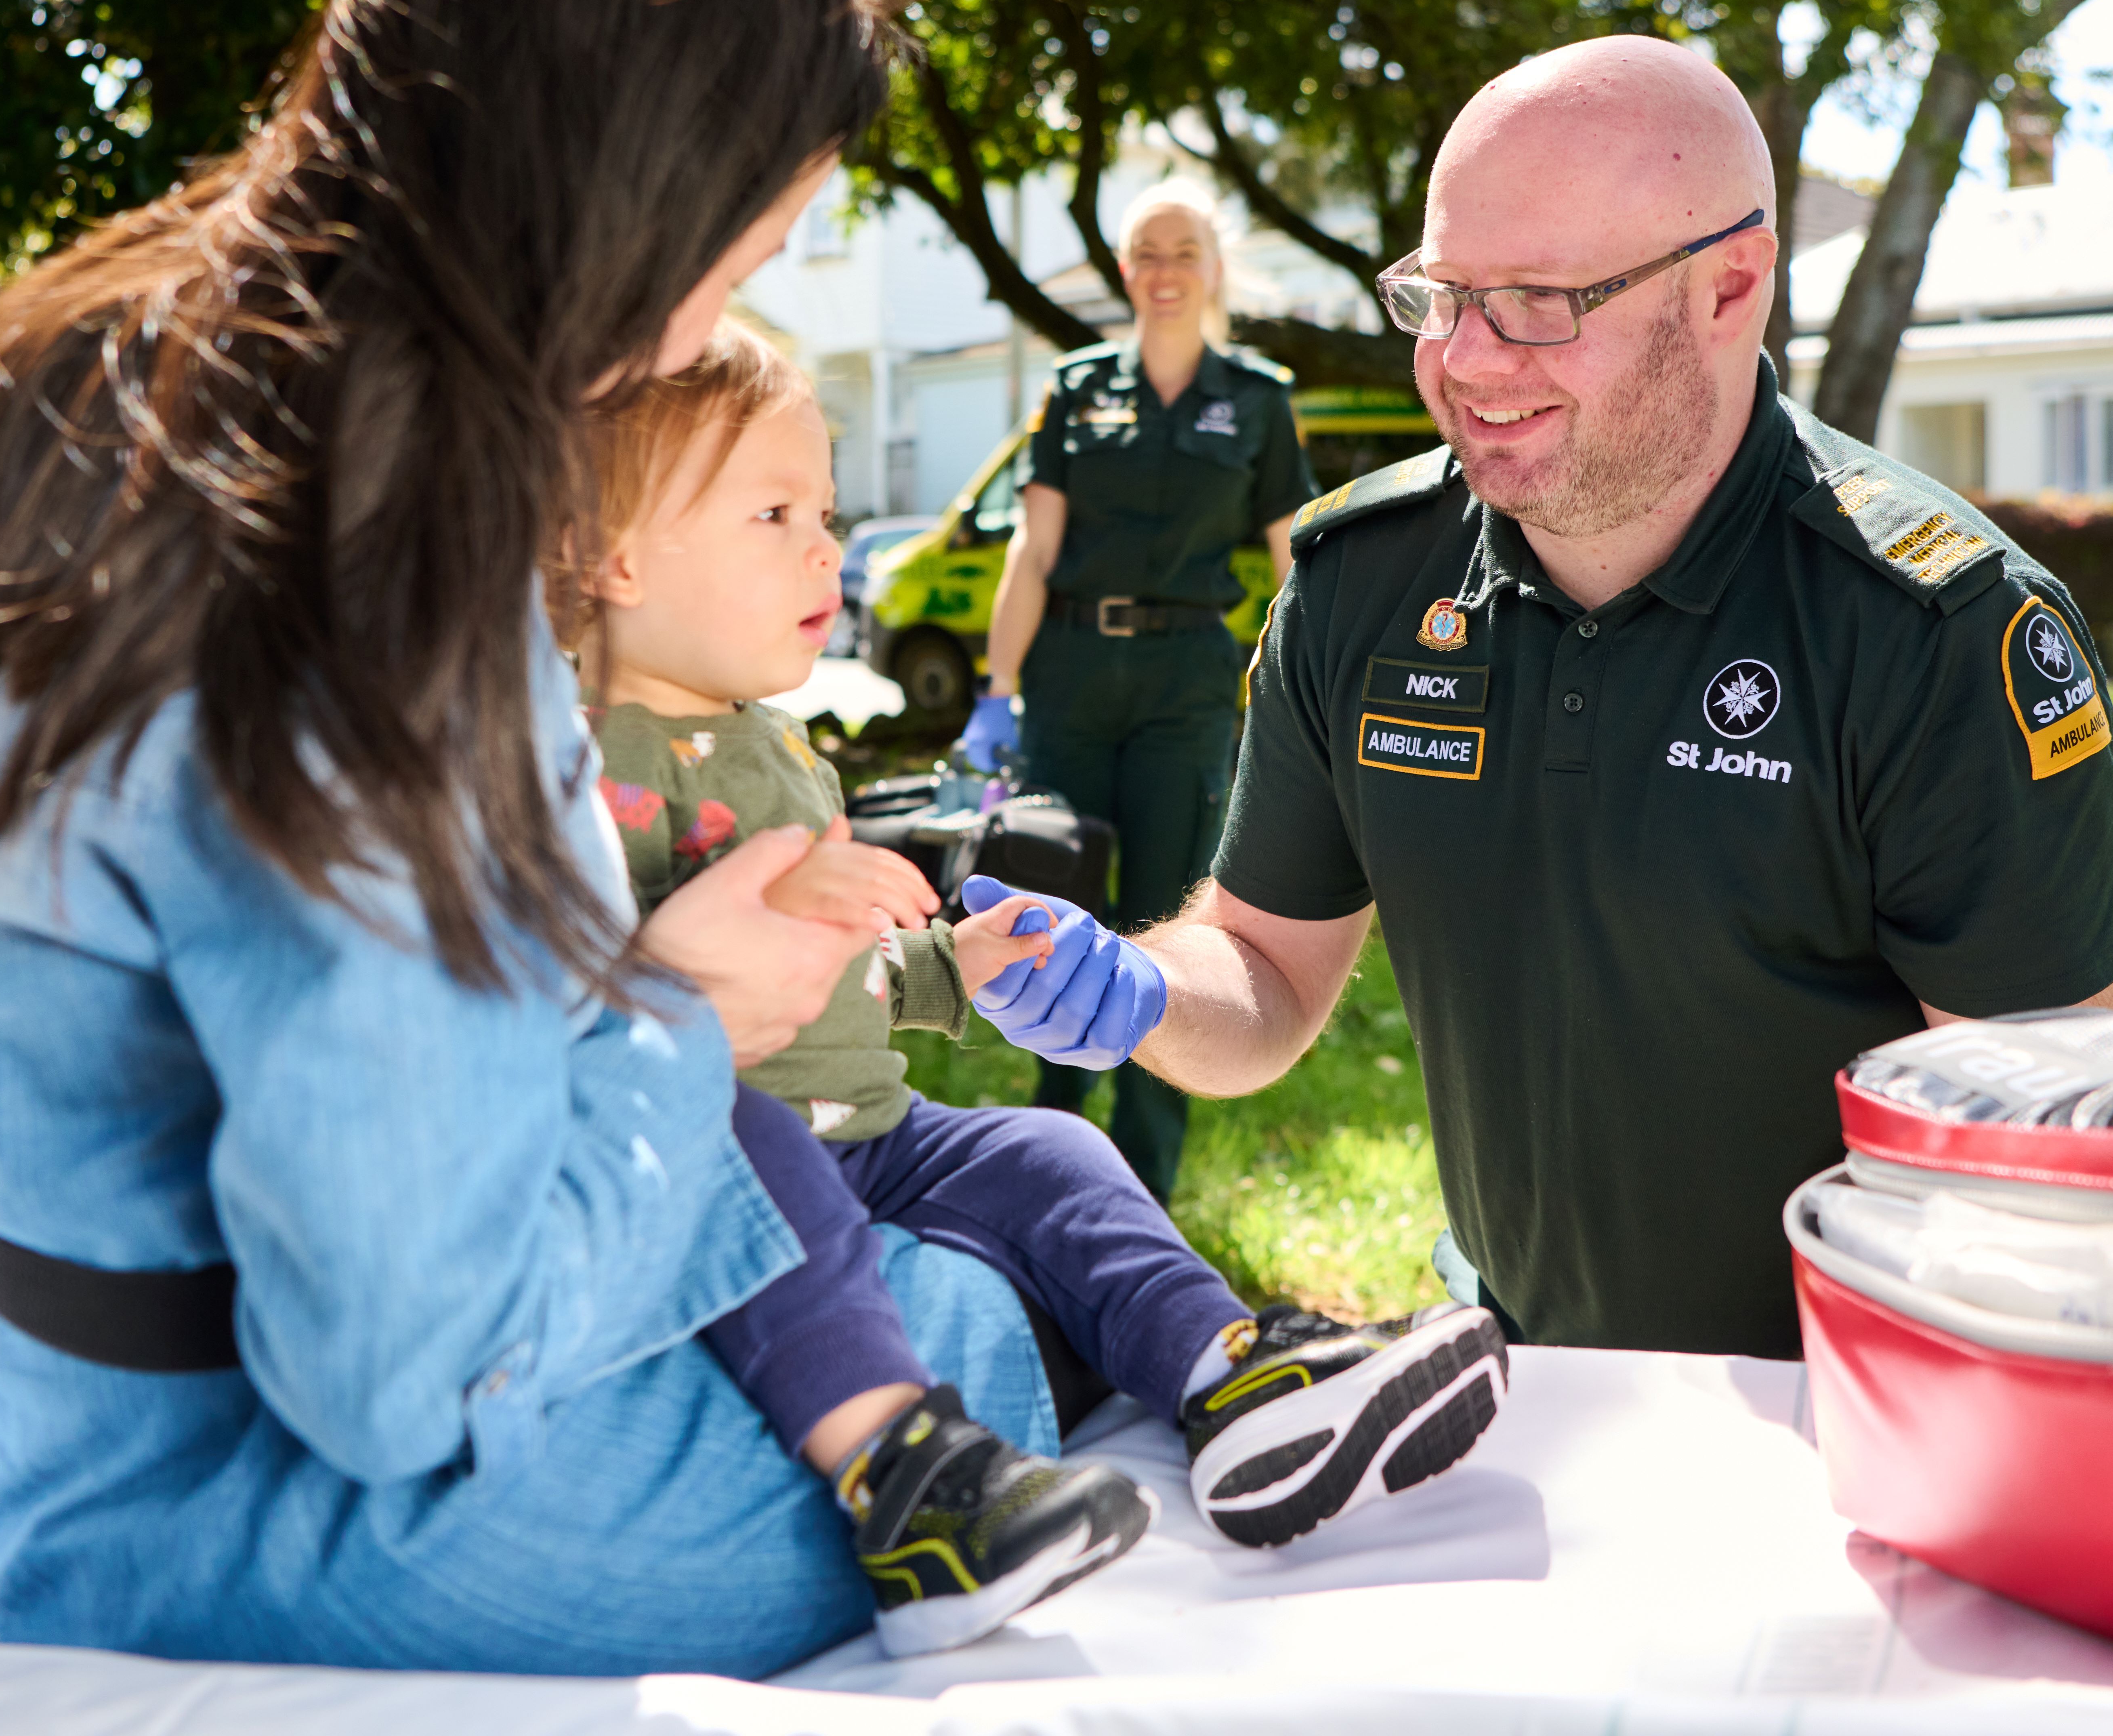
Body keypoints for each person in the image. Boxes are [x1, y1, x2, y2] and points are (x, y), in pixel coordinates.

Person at [0, 0, 1089, 1680]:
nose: (689, 343)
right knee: (981, 1317)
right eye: (726, 267)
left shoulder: (38, 377)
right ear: (615, 202)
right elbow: (400, 1375)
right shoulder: (382, 576)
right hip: (290, 1528)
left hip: (39, 1438)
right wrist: (674, 1023)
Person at [956, 36, 2113, 1362]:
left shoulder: (1935, 630)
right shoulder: (1360, 584)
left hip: (1844, 1404)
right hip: (1515, 1373)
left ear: (1728, 288)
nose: (1463, 361)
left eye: (1533, 301)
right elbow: (1268, 968)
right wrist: (1137, 991)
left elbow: (2036, 1158)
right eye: (1439, 295)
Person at [563, 321, 1510, 1613]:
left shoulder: (775, 744)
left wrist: (953, 961)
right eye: (773, 512)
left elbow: (858, 976)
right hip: (727, 1151)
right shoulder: (584, 763)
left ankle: (1232, 1377)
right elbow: (565, 986)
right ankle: (906, 1491)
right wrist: (765, 904)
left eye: (826, 511)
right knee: (776, 1169)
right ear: (616, 558)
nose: (828, 548)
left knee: (1049, 1152)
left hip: (877, 1128)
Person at [957, 184, 1319, 1200]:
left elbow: (1291, 555)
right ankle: (1051, 1173)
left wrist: (1303, 691)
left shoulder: (1256, 397)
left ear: (1213, 269)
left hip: (1187, 688)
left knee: (1168, 930)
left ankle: (1143, 1191)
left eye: (1185, 250)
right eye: (1145, 252)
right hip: (1070, 680)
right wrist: (996, 688)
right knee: (1053, 916)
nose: (1164, 269)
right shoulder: (1076, 390)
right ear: (1125, 271)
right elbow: (1033, 548)